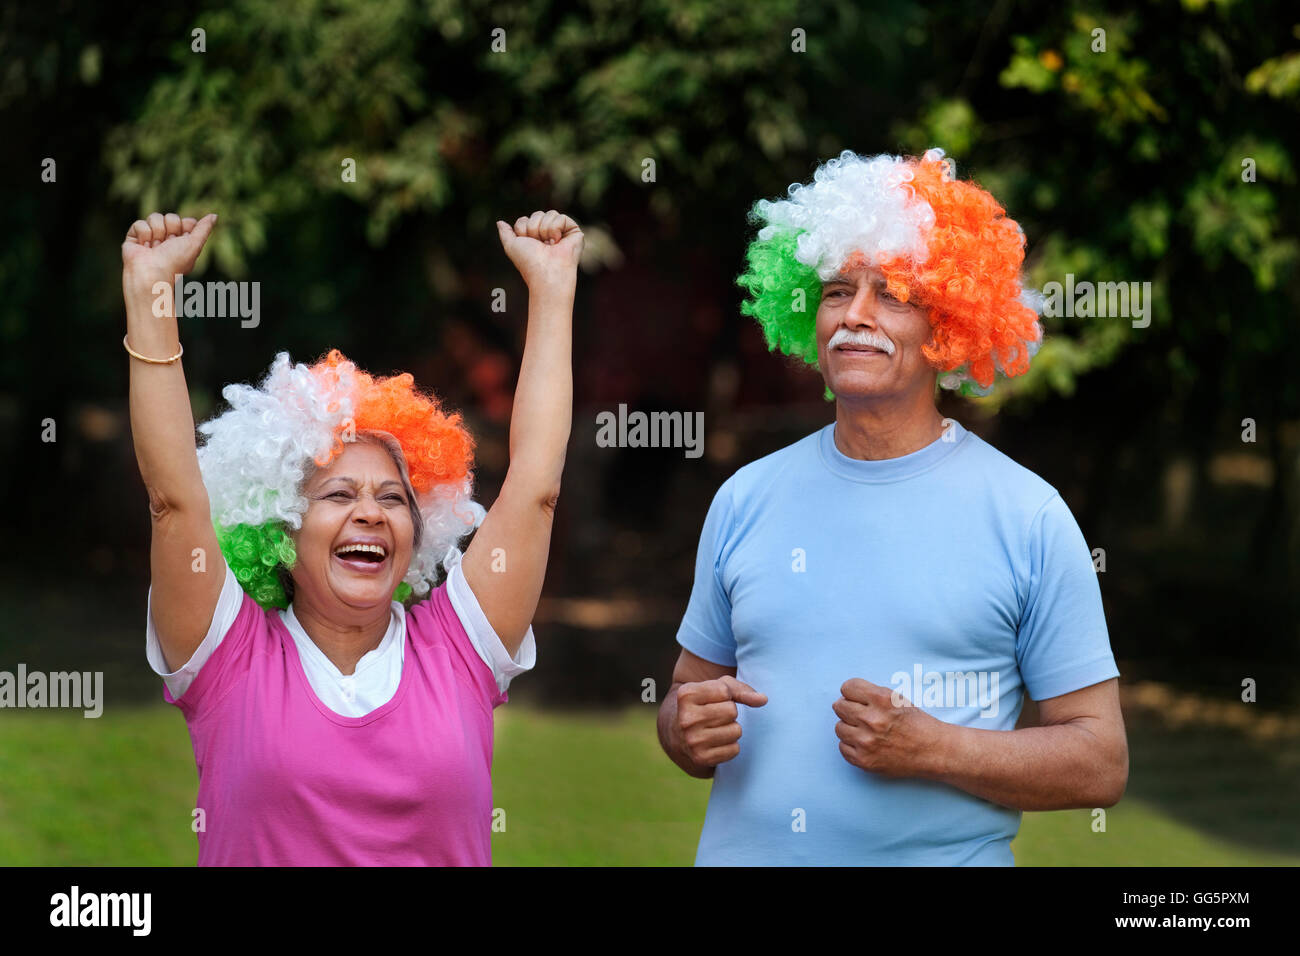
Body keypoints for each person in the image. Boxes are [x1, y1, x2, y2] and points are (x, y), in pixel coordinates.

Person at [657, 148, 1128, 865]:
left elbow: (1101, 762)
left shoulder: (1027, 515)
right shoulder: (744, 498)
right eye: (838, 290)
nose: (857, 317)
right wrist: (681, 729)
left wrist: (936, 748)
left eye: (895, 294)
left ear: (948, 325)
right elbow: (686, 701)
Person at [123, 209, 582, 865]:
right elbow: (174, 502)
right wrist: (151, 293)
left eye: (393, 498)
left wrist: (553, 289)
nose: (370, 512)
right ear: (282, 526)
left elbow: (536, 492)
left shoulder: (459, 647)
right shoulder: (227, 655)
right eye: (338, 494)